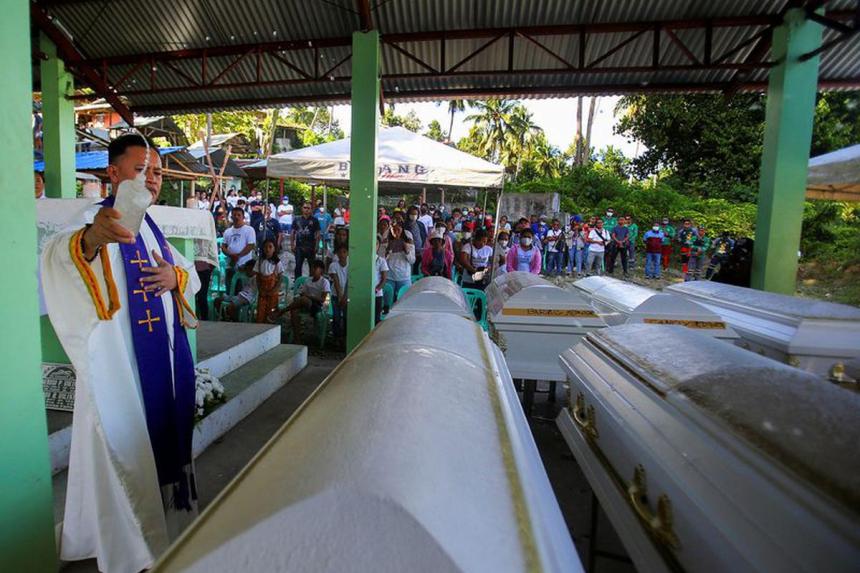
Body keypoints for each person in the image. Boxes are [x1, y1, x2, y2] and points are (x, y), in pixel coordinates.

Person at [41, 134, 200, 572]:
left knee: (146, 456)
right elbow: (61, 258)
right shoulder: (95, 219)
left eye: (158, 172)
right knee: (119, 462)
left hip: (158, 365)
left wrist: (176, 278)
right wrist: (92, 239)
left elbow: (185, 274)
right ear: (112, 174)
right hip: (118, 371)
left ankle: (141, 538)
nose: (152, 179)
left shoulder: (151, 226)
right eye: (140, 169)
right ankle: (128, 552)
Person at [275, 260, 330, 341]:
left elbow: (322, 299)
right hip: (304, 303)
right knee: (294, 311)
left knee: (304, 299)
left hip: (317, 305)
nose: (313, 270)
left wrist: (309, 296)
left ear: (321, 270)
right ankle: (297, 338)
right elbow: (302, 293)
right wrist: (302, 296)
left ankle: (283, 310)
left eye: (315, 268)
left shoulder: (324, 282)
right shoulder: (308, 280)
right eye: (312, 268)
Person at [222, 207, 256, 293]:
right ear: (231, 217)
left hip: (244, 265)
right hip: (230, 265)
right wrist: (231, 255)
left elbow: (250, 245)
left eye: (239, 215)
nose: (236, 217)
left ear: (243, 217)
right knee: (230, 290)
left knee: (242, 290)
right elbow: (223, 247)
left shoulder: (249, 230)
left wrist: (238, 256)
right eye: (234, 215)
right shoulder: (227, 231)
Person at [385, 221, 416, 301]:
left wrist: (407, 251)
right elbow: (382, 260)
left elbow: (412, 260)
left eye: (398, 230)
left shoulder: (408, 242)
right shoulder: (386, 242)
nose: (396, 232)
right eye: (393, 230)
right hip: (389, 276)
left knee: (405, 301)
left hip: (403, 276)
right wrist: (389, 250)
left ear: (402, 230)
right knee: (388, 302)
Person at [254, 239, 284, 323]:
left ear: (274, 249)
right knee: (260, 313)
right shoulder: (259, 261)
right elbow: (257, 277)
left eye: (270, 247)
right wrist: (260, 289)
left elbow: (280, 278)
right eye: (265, 247)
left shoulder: (277, 263)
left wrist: (275, 290)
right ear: (263, 248)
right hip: (262, 293)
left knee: (271, 314)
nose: (268, 249)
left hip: (273, 293)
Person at [291, 202, 320, 280]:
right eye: (305, 207)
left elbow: (317, 233)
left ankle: (311, 283)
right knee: (298, 266)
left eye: (308, 208)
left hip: (311, 247)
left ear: (311, 210)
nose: (306, 209)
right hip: (299, 247)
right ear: (302, 208)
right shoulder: (297, 219)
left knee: (312, 266)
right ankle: (297, 283)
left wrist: (317, 245)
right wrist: (292, 244)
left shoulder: (315, 220)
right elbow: (293, 232)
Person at [328, 243, 349, 339]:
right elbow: (336, 282)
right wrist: (340, 296)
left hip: (347, 295)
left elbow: (349, 281)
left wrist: (345, 296)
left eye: (344, 252)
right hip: (336, 294)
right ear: (337, 254)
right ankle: (336, 338)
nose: (342, 254)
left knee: (346, 317)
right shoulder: (333, 265)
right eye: (340, 252)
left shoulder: (351, 265)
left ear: (348, 253)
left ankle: (345, 337)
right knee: (336, 317)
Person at [373, 237, 389, 323]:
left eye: (376, 244)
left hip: (377, 294)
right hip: (365, 293)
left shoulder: (381, 261)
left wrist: (376, 289)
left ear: (378, 246)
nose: (373, 246)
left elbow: (384, 279)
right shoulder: (364, 260)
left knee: (376, 318)